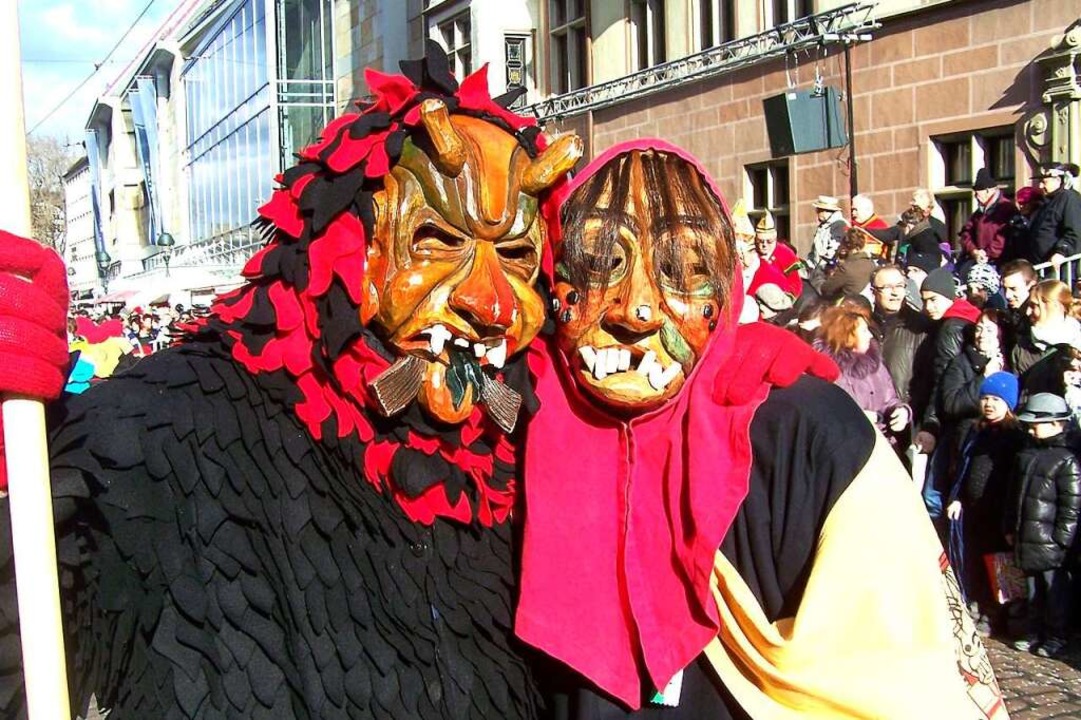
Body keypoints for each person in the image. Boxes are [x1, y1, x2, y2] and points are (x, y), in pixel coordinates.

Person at [0, 48, 582, 718]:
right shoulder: (160, 428)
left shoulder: (533, 457)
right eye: (434, 241)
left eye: (514, 257)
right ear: (340, 241)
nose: (492, 303)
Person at [520, 139, 1006, 719]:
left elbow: (907, 663)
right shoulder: (516, 417)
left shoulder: (802, 432)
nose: (635, 311)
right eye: (601, 264)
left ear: (724, 292)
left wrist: (786, 412)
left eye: (680, 271)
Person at [944, 372, 1024, 637]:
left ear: (1008, 404)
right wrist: (956, 497)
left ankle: (996, 614)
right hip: (974, 510)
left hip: (998, 511)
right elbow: (963, 468)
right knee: (974, 562)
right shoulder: (975, 431)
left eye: (996, 399)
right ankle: (975, 603)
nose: (989, 404)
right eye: (985, 398)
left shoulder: (1015, 437)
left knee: (999, 568)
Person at [1007, 393, 1081, 659]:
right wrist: (1010, 526)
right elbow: (1013, 495)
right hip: (1027, 538)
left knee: (1055, 594)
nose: (1030, 429)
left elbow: (1071, 505)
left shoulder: (1067, 461)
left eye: (1035, 424)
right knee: (1033, 592)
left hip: (1051, 543)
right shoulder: (1026, 455)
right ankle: (1033, 632)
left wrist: (1062, 539)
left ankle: (1056, 635)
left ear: (1056, 424)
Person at [814, 303, 911, 442]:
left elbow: (889, 399)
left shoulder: (875, 364)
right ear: (846, 335)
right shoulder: (828, 371)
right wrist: (856, 417)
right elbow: (825, 413)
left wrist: (901, 411)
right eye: (865, 331)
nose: (870, 336)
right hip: (849, 446)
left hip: (883, 443)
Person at [871, 265, 935, 437]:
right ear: (873, 292)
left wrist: (909, 410)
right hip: (869, 421)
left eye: (900, 286)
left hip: (905, 421)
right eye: (887, 288)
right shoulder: (863, 326)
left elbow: (926, 380)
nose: (895, 293)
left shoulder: (920, 328)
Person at [1010, 278, 1081, 377]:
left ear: (1055, 306)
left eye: (1034, 306)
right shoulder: (1021, 349)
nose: (1028, 312)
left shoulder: (1077, 345)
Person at [957, 169, 1017, 274]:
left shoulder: (1007, 208)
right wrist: (974, 251)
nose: (975, 196)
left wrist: (986, 254)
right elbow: (966, 233)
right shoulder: (978, 213)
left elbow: (1003, 237)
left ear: (988, 191)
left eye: (977, 193)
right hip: (979, 260)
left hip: (1000, 263)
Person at [1025, 163, 1081, 265]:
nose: (1040, 186)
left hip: (1059, 267)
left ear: (1058, 180)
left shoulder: (1069, 198)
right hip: (1040, 265)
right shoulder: (1045, 202)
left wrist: (1061, 252)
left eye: (1044, 182)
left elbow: (1074, 231)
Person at [820, 227, 878, 301]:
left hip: (848, 307)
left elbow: (825, 289)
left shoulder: (846, 268)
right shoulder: (871, 264)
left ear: (845, 247)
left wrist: (820, 279)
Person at [753, 210, 803, 297]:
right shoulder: (751, 253)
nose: (764, 245)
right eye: (761, 241)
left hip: (780, 301)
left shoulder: (786, 253)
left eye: (769, 241)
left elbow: (795, 283)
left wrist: (788, 299)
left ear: (775, 238)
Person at [806, 194, 848, 279]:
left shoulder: (839, 225)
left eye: (818, 210)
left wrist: (822, 268)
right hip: (817, 271)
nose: (817, 213)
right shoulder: (823, 226)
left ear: (825, 211)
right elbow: (815, 250)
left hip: (828, 272)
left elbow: (833, 250)